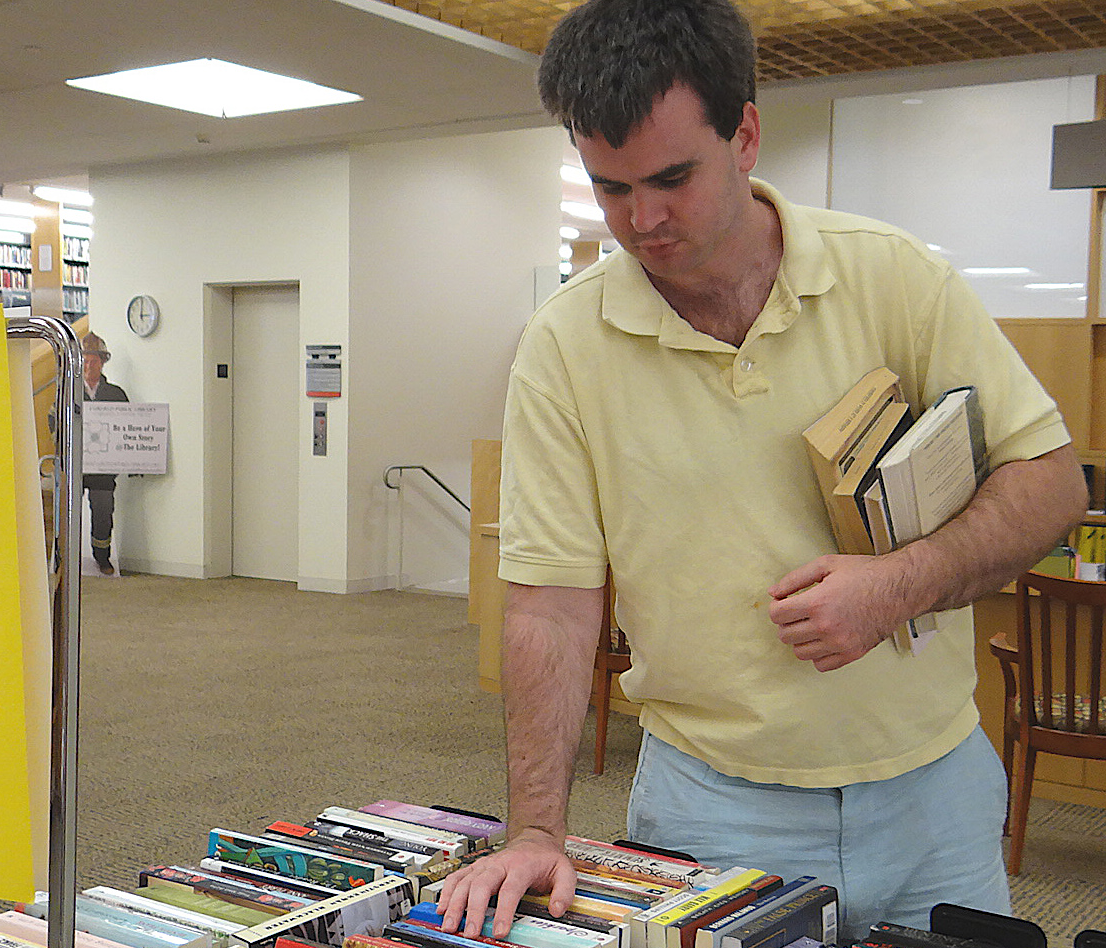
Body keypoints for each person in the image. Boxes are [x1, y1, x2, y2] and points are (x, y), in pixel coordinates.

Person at [437, 0, 1087, 940]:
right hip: (707, 805)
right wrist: (537, 826)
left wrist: (898, 584)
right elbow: (549, 600)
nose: (642, 219)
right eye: (609, 187)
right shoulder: (562, 345)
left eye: (670, 177)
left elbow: (1052, 481)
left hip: (931, 790)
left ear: (744, 134)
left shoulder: (894, 276)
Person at [82, 332, 129, 575]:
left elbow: (128, 430)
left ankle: (102, 557)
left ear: (102, 363)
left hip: (103, 469)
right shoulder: (67, 391)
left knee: (103, 514)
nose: (90, 366)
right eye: (86, 361)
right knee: (67, 516)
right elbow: (53, 423)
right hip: (75, 466)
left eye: (94, 361)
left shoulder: (116, 395)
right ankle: (64, 558)